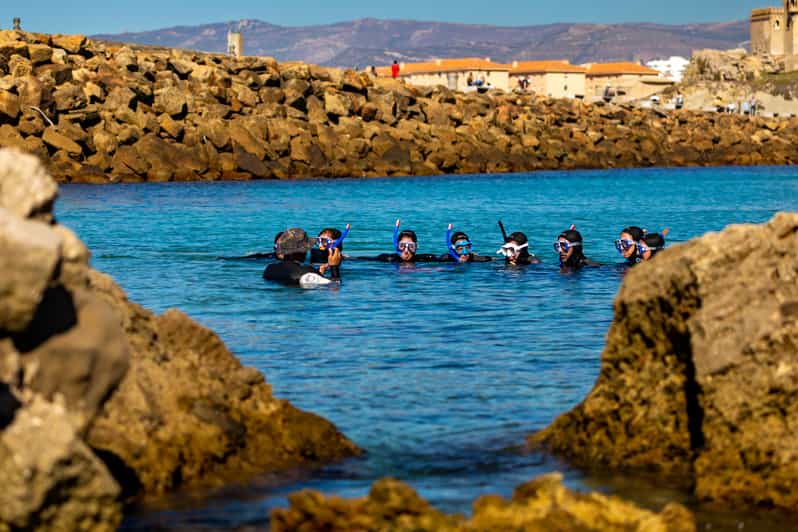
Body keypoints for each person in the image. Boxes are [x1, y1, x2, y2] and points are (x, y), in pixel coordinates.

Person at [263, 228, 341, 287]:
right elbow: (334, 286)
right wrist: (334, 267)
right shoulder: (307, 271)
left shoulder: (269, 268)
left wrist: (319, 274)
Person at [357, 219, 445, 263]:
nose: (406, 251)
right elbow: (368, 259)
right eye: (402, 246)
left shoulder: (423, 259)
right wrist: (347, 258)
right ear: (397, 246)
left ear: (416, 247)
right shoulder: (390, 259)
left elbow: (444, 259)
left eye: (411, 247)